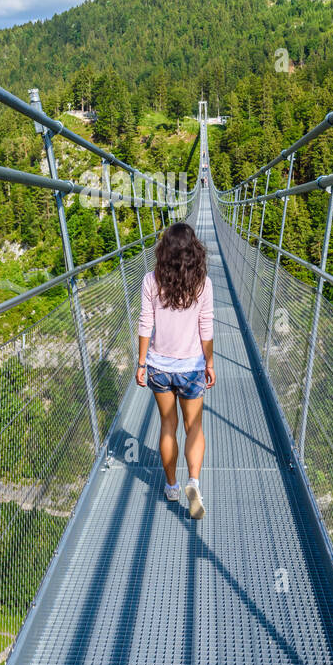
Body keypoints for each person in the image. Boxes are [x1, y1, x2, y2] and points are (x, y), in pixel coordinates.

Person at [136, 222, 215, 519]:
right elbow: (205, 326)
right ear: (194, 250)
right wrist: (209, 363)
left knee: (168, 425)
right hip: (192, 366)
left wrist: (142, 364)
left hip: (158, 366)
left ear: (164, 250)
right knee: (193, 427)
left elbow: (146, 323)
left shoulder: (151, 280)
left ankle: (171, 486)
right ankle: (193, 483)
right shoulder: (202, 283)